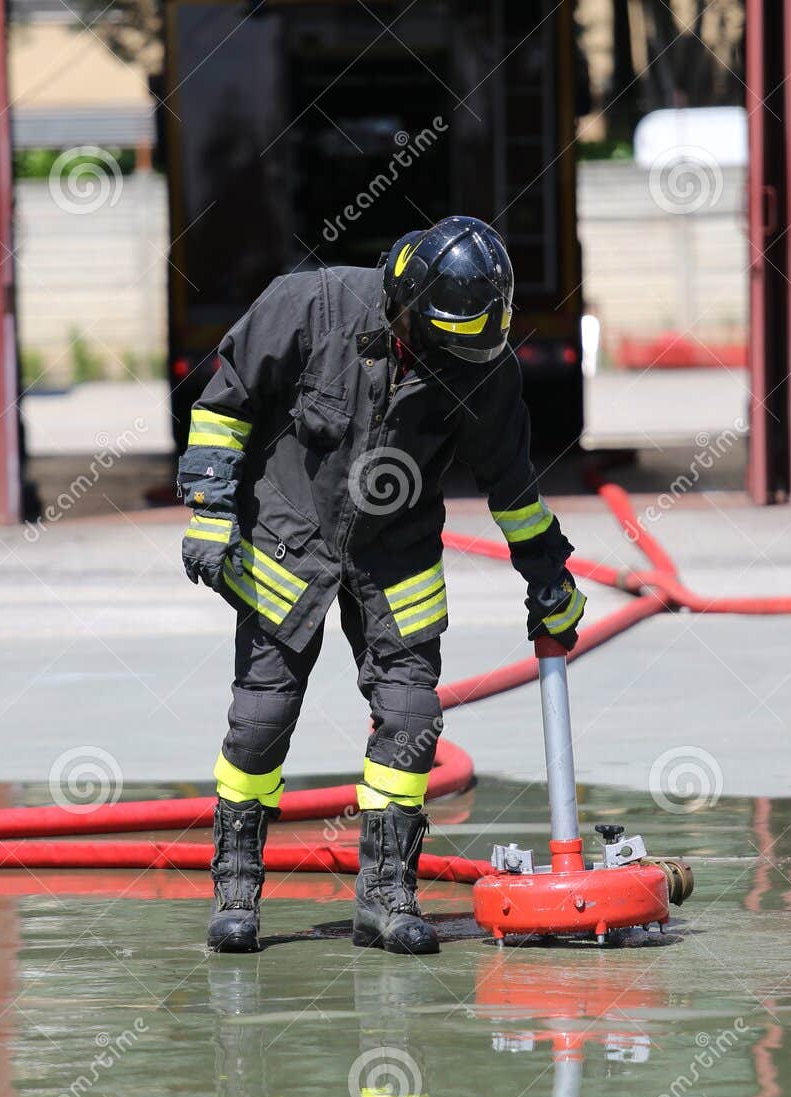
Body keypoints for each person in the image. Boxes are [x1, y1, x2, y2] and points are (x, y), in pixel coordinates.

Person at [178, 216, 585, 956]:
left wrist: (550, 576)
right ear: (407, 309)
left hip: (395, 555)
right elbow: (222, 406)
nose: (457, 360)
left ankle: (386, 891)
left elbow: (513, 488)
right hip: (287, 538)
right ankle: (236, 882)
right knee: (262, 718)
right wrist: (209, 509)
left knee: (412, 715)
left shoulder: (479, 358)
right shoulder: (309, 307)